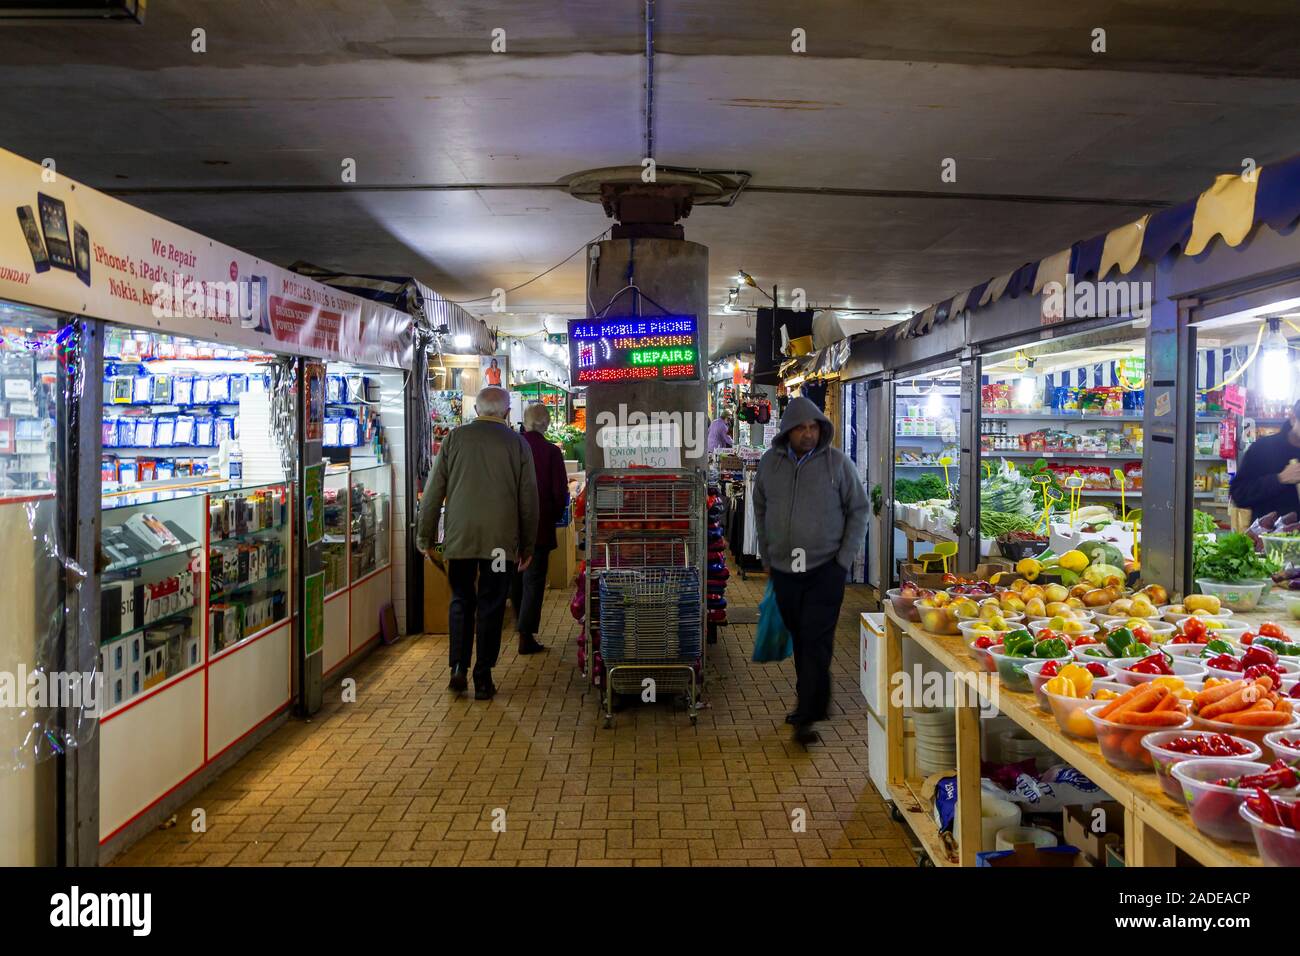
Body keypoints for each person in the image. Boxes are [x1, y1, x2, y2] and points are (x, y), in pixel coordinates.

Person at [753, 396, 869, 746]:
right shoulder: (769, 464)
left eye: (814, 427)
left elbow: (859, 510)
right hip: (786, 570)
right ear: (788, 431)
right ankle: (811, 702)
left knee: (815, 640)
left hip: (824, 570)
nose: (808, 434)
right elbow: (759, 507)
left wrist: (843, 561)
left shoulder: (837, 464)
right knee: (802, 638)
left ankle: (807, 714)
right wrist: (767, 555)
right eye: (801, 428)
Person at [417, 386, 539, 699]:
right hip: (499, 544)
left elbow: (433, 493)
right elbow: (528, 500)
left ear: (476, 411)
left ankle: (458, 666)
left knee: (460, 599)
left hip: (460, 539)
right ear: (508, 413)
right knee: (492, 604)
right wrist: (527, 545)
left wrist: (425, 537)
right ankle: (483, 675)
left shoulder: (454, 439)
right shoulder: (518, 444)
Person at [509, 403, 571, 654]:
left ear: (524, 421)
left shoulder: (510, 448)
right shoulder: (551, 452)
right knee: (534, 581)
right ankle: (525, 635)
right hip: (539, 528)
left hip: (509, 528)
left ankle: (519, 622)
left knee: (515, 577)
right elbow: (560, 493)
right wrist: (553, 516)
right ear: (545, 425)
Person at [1230, 399, 1300, 521]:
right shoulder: (1263, 448)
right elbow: (1238, 495)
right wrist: (1280, 479)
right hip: (1268, 537)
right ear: (1293, 418)